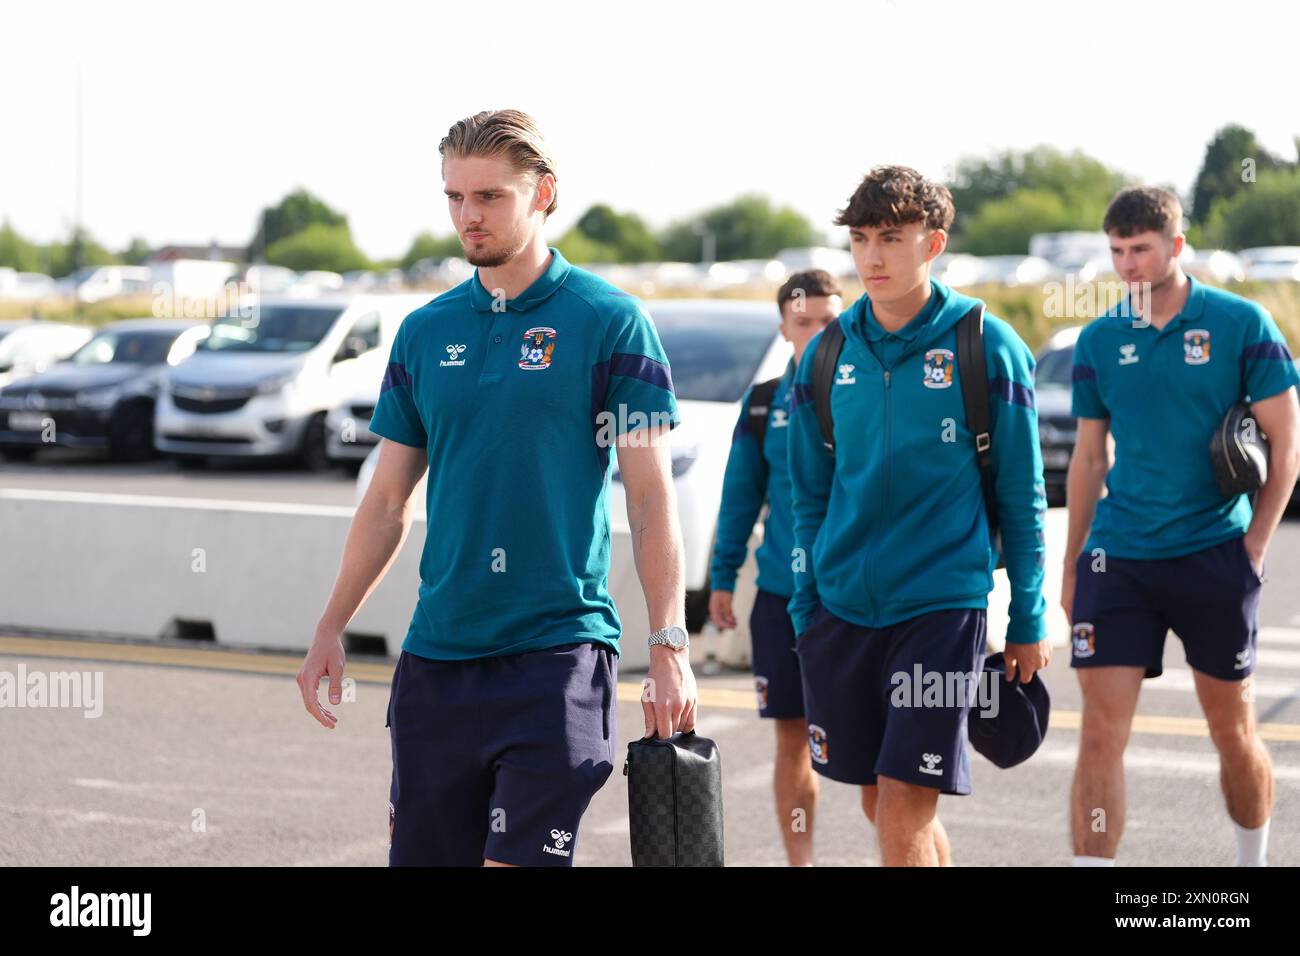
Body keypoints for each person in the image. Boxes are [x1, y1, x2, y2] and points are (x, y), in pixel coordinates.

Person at [296, 109, 698, 867]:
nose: (467, 216)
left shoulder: (611, 323)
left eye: (490, 197)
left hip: (557, 659)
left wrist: (668, 644)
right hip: (437, 662)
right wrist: (330, 625)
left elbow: (649, 502)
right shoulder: (424, 331)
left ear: (544, 193)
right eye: (454, 197)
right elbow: (387, 501)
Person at [787, 165, 1050, 866]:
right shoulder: (825, 353)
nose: (872, 256)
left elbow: (1024, 495)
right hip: (841, 610)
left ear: (932, 245)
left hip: (941, 607)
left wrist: (1028, 616)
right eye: (862, 238)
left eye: (892, 238)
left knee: (904, 803)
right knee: (882, 802)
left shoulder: (986, 345)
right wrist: (804, 606)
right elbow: (807, 497)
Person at [1064, 185, 1300, 867]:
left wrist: (1252, 547)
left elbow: (1287, 447)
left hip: (1212, 553)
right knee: (1101, 734)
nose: (1129, 264)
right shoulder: (1100, 338)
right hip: (1121, 557)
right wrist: (1074, 560)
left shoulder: (1241, 323)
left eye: (1141, 249)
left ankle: (1250, 865)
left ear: (1176, 245)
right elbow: (1087, 457)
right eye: (1117, 251)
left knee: (1231, 731)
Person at [708, 269, 843, 866]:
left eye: (829, 323)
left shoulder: (868, 391)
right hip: (780, 599)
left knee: (875, 758)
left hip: (854, 603)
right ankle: (801, 863)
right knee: (792, 739)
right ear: (784, 326)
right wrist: (720, 576)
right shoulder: (764, 402)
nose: (816, 334)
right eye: (803, 322)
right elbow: (740, 496)